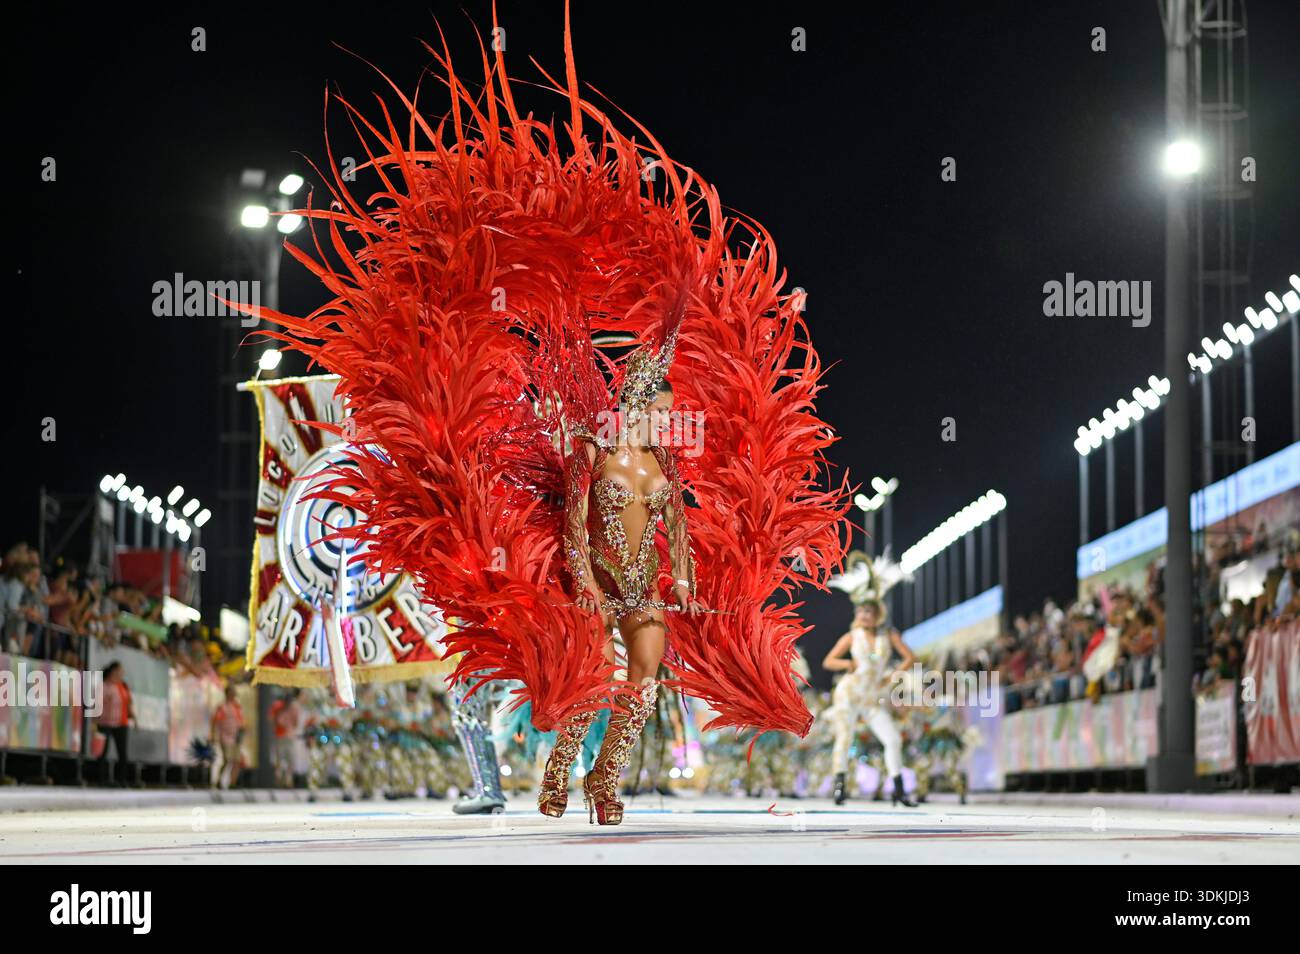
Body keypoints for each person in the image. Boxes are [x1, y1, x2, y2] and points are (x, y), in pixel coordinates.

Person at [256, 11, 850, 827]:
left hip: (648, 589)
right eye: (660, 398)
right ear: (638, 403)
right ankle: (559, 773)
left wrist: (691, 591)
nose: (670, 408)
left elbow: (673, 524)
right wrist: (581, 589)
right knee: (587, 684)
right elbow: (574, 523)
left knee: (642, 685)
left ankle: (607, 780)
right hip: (593, 586)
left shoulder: (662, 464)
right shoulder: (602, 458)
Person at [821, 600, 918, 807]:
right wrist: (847, 663)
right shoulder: (852, 637)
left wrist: (892, 677)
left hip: (872, 698)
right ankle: (840, 787)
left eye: (869, 611)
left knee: (892, 739)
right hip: (849, 693)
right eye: (861, 611)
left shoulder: (888, 635)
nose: (864, 615)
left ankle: (898, 790)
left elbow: (910, 657)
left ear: (878, 615)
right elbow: (828, 661)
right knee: (845, 737)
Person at [95, 662, 133, 786]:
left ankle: (122, 780)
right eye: (120, 670)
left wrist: (133, 717)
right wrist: (94, 721)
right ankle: (101, 779)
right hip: (105, 722)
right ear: (114, 671)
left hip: (121, 723)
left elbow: (128, 703)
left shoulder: (123, 686)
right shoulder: (105, 686)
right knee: (102, 752)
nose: (122, 673)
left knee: (123, 753)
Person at [211, 684, 245, 789]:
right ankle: (218, 781)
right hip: (225, 737)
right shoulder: (222, 707)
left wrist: (242, 732)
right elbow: (215, 722)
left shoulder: (237, 707)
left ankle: (232, 782)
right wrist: (213, 735)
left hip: (236, 737)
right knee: (226, 760)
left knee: (237, 760)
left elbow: (241, 722)